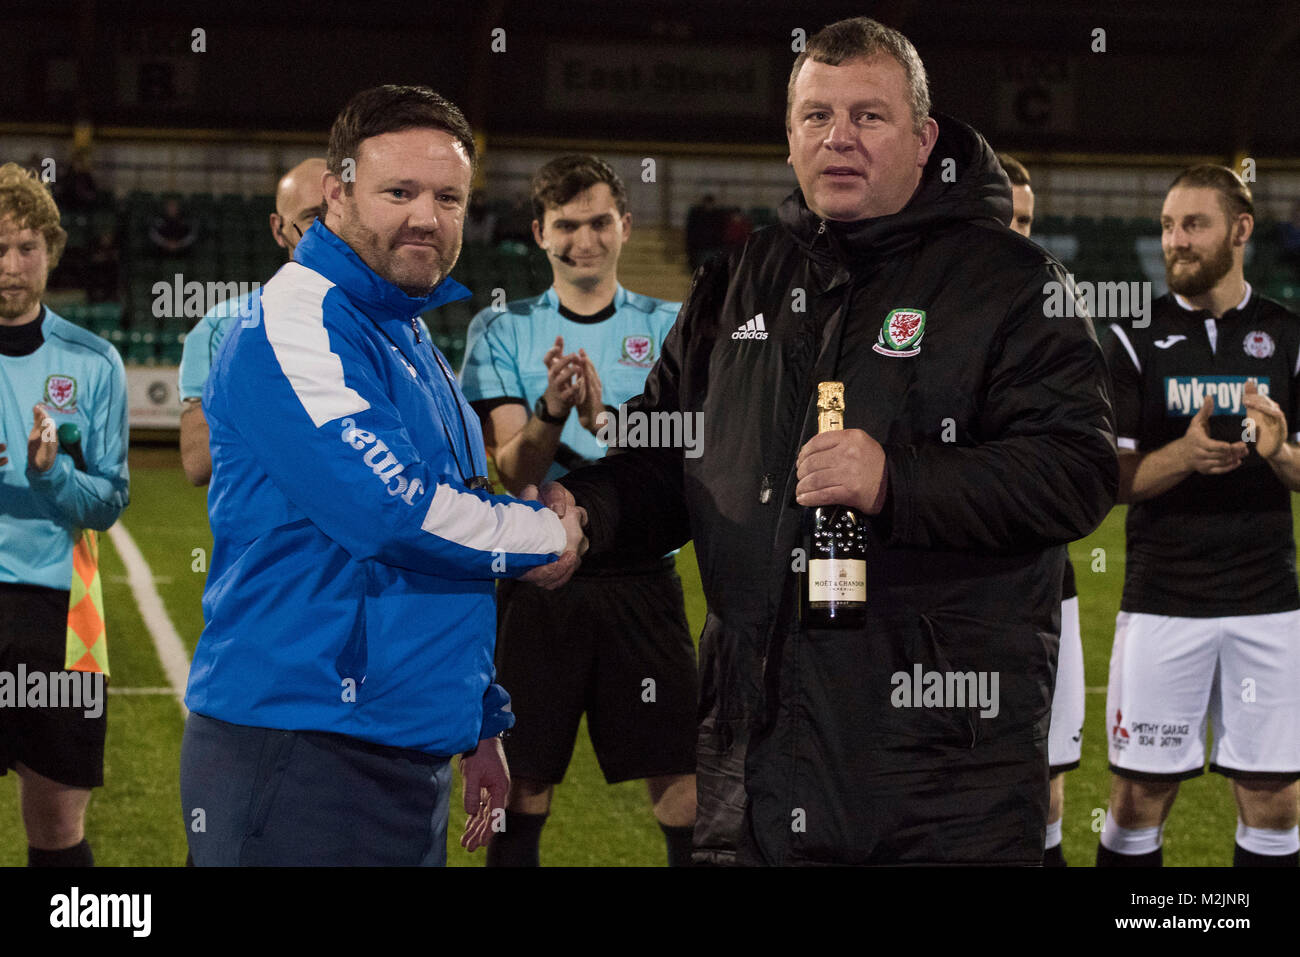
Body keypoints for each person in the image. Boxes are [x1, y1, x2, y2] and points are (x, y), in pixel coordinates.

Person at [547, 16, 1117, 865]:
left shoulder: (1011, 282)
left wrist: (900, 481)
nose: (838, 139)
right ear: (788, 139)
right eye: (817, 117)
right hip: (755, 736)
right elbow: (665, 457)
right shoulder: (740, 279)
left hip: (937, 765)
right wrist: (584, 513)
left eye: (868, 117)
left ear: (924, 140)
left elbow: (1077, 471)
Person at [178, 85, 587, 867]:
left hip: (395, 744)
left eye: (448, 197)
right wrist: (547, 534)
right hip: (303, 747)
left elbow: (455, 519)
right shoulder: (298, 318)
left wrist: (480, 717)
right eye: (397, 191)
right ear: (338, 192)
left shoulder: (402, 331)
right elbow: (391, 512)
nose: (425, 217)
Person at [460, 155, 697, 867]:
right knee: (521, 786)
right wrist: (553, 412)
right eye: (566, 224)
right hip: (540, 586)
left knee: (684, 784)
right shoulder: (501, 331)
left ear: (625, 226)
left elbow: (683, 451)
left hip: (644, 582)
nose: (583, 239)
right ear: (539, 232)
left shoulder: (672, 326)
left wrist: (606, 414)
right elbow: (513, 467)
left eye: (599, 221)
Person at [1096, 165, 1300, 867]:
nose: (1174, 241)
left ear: (1240, 230)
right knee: (1133, 803)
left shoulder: (1290, 337)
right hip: (1162, 602)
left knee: (1276, 802)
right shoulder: (1130, 339)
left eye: (1193, 224)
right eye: (1166, 226)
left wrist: (1278, 452)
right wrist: (1184, 453)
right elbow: (1112, 482)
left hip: (1268, 604)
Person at [0, 162, 129, 866]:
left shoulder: (95, 362)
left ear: (53, 248)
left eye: (27, 247)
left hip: (60, 612)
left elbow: (108, 501)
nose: (12, 265)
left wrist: (50, 476)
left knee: (55, 824)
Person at [998, 151, 1082, 868]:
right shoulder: (909, 313)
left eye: (1025, 220)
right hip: (929, 595)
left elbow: (1084, 470)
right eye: (1005, 216)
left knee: (1046, 788)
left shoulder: (1058, 316)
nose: (1016, 233)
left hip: (1046, 583)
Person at [177, 157, 327, 485]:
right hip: (275, 534)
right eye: (314, 217)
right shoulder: (223, 325)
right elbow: (198, 461)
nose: (330, 230)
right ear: (278, 228)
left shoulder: (397, 324)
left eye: (341, 215)